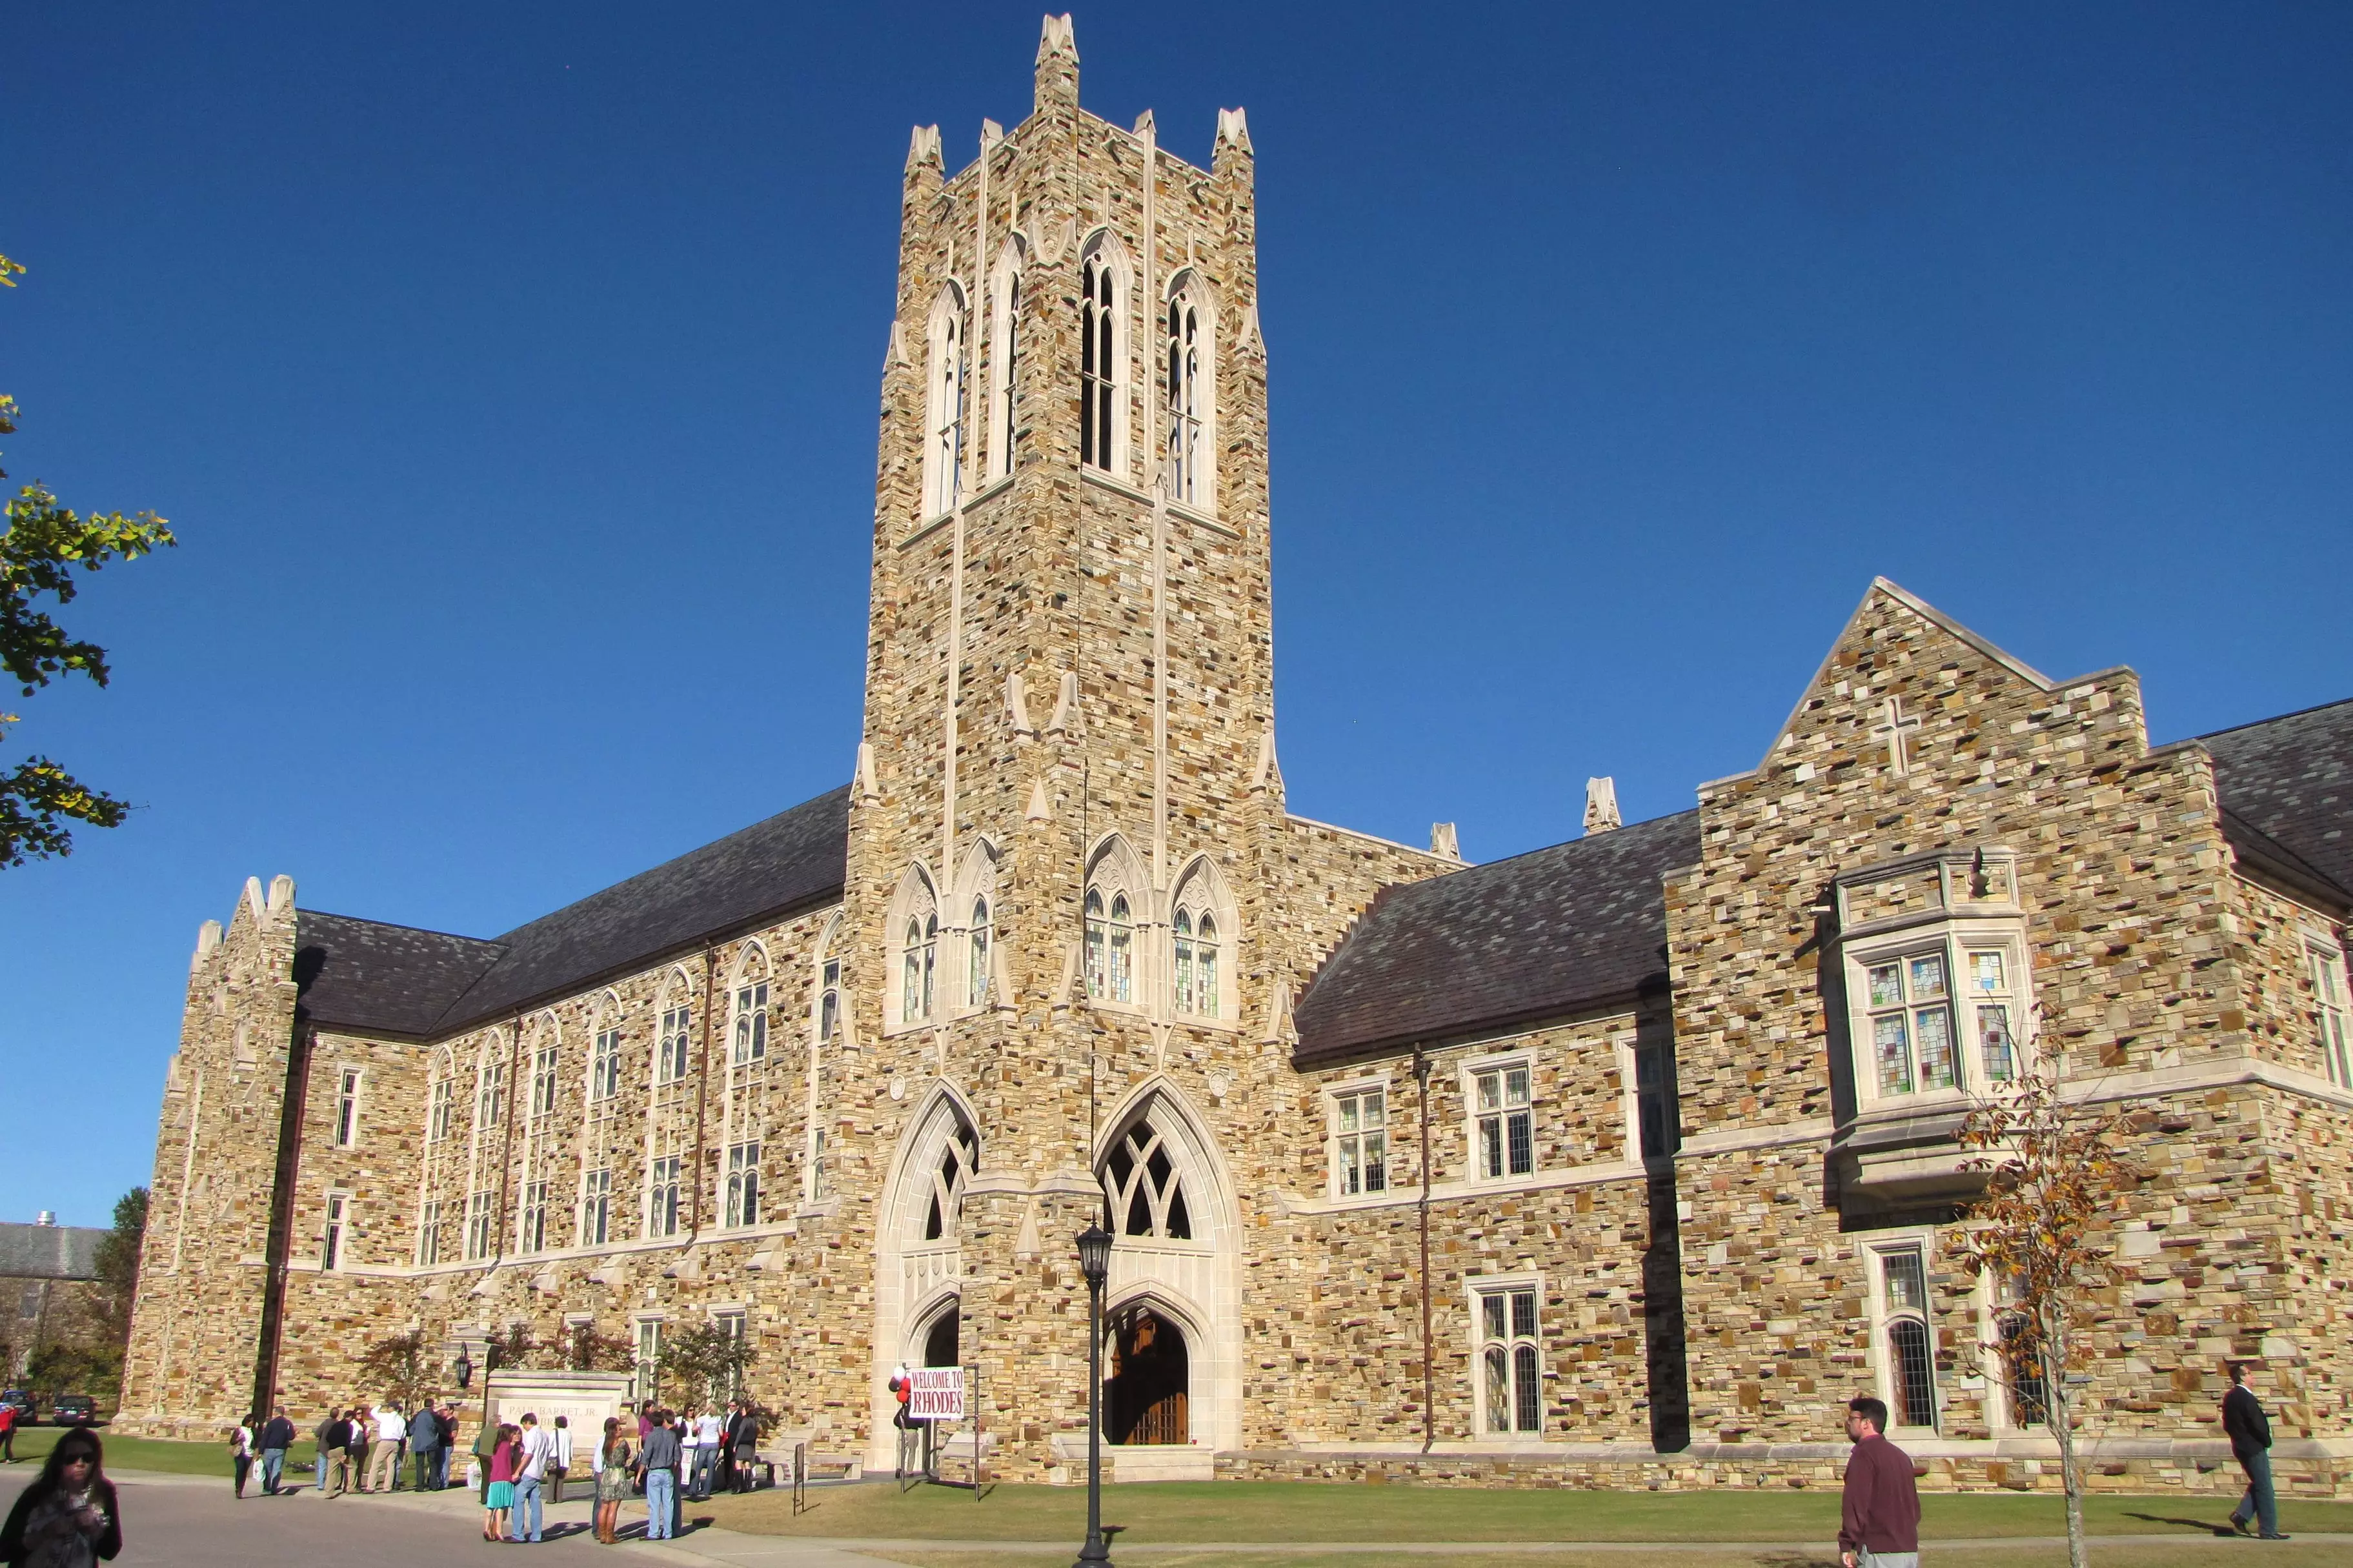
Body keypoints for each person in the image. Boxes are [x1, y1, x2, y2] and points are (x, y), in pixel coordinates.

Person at [0, 1426, 122, 1568]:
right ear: (60, 1462)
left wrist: (95, 1529)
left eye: (88, 1458)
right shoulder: (37, 1495)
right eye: (72, 1459)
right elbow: (4, 1550)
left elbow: (110, 1551)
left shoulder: (102, 1493)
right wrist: (46, 1533)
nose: (80, 1464)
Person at [1839, 1396, 1921, 1568]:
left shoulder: (1863, 1456)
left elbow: (1856, 1505)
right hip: (1908, 1551)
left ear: (1866, 1423)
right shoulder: (1901, 1457)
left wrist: (1847, 1545)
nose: (1848, 1423)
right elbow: (1915, 1509)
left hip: (1878, 1551)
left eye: (1852, 1418)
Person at [2225, 1362, 2289, 1540]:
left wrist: (2238, 1439)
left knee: (2260, 1483)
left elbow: (2227, 1425)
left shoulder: (2230, 1397)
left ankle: (2241, 1515)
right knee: (2265, 1488)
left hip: (2240, 1445)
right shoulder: (2247, 1398)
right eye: (2249, 1373)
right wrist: (2266, 1441)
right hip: (2253, 1447)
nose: (2253, 1376)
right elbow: (2258, 1425)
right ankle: (2268, 1530)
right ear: (2243, 1377)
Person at [634, 1408, 681, 1542]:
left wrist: (638, 1475)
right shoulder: (671, 1436)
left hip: (655, 1472)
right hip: (668, 1472)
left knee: (654, 1505)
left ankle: (654, 1532)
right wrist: (674, 1470)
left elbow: (646, 1458)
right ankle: (668, 1532)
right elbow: (677, 1457)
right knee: (668, 1504)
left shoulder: (651, 1437)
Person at [592, 1416, 632, 1545]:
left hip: (607, 1473)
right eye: (619, 1429)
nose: (621, 1430)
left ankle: (602, 1534)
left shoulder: (606, 1443)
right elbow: (628, 1454)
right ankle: (610, 1535)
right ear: (614, 1431)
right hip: (618, 1473)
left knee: (604, 1506)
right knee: (613, 1508)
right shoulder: (622, 1443)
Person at [512, 1412, 550, 1544]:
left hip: (529, 1472)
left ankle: (518, 1534)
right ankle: (537, 1534)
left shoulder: (531, 1435)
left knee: (518, 1500)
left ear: (528, 1422)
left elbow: (528, 1454)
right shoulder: (545, 1435)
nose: (524, 1428)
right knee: (535, 1504)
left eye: (524, 1425)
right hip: (539, 1472)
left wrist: (518, 1471)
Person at [481, 1423, 520, 1544]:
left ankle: (487, 1529)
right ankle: (499, 1530)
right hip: (504, 1478)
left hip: (494, 1478)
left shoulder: (497, 1446)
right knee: (501, 1506)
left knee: (491, 1506)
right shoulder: (507, 1446)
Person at [367, 1402, 407, 1493]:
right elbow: (403, 1434)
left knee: (376, 1464)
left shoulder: (385, 1417)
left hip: (385, 1441)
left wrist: (381, 1405)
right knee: (391, 1466)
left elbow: (373, 1412)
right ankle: (388, 1487)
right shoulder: (401, 1420)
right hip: (395, 1442)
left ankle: (371, 1486)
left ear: (391, 1408)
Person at [256, 1407, 296, 1496]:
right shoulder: (287, 1423)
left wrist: (261, 1450)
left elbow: (265, 1437)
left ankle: (266, 1488)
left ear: (276, 1413)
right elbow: (291, 1436)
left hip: (269, 1449)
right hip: (281, 1449)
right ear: (283, 1413)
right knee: (277, 1469)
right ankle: (274, 1488)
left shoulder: (271, 1423)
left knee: (267, 1469)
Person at [407, 1401, 440, 1492]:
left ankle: (420, 1486)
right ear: (432, 1405)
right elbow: (438, 1427)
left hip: (419, 1443)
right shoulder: (434, 1415)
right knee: (433, 1464)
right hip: (432, 1442)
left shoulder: (417, 1415)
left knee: (420, 1464)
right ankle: (433, 1485)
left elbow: (411, 1430)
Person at [319, 1409, 354, 1497]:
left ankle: (329, 1492)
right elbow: (348, 1440)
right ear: (350, 1417)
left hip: (332, 1449)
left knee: (331, 1471)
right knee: (352, 1466)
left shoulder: (336, 1425)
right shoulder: (349, 1427)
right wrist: (347, 1453)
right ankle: (350, 1487)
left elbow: (328, 1438)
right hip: (341, 1449)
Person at [346, 1402, 373, 1492]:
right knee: (353, 1466)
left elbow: (367, 1433)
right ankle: (350, 1486)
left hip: (364, 1446)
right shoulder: (352, 1423)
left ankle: (358, 1484)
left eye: (361, 1413)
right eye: (358, 1413)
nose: (360, 1415)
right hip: (355, 1446)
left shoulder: (364, 1423)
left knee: (361, 1466)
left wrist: (367, 1435)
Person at [313, 1409, 341, 1493]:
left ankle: (321, 1485)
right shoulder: (338, 1424)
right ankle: (329, 1484)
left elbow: (317, 1434)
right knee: (331, 1468)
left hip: (323, 1447)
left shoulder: (325, 1423)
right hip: (333, 1448)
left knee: (322, 1467)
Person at [228, 1416, 254, 1500]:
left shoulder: (253, 1431)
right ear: (247, 1422)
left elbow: (257, 1442)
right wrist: (239, 1438)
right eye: (251, 1421)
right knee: (240, 1470)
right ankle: (238, 1489)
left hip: (249, 1454)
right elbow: (232, 1442)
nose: (252, 1423)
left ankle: (241, 1489)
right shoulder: (239, 1430)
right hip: (240, 1453)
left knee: (244, 1473)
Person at [549, 1415, 572, 1505]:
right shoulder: (568, 1433)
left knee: (552, 1479)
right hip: (565, 1459)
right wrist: (570, 1458)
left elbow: (550, 1445)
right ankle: (559, 1498)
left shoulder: (554, 1433)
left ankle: (551, 1498)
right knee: (561, 1480)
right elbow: (571, 1447)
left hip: (554, 1458)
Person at [436, 1403, 458, 1490]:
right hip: (438, 1444)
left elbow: (453, 1435)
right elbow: (433, 1412)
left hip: (447, 1445)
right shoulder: (441, 1420)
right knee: (438, 1464)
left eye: (445, 1410)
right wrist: (440, 1407)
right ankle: (437, 1481)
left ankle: (444, 1484)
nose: (443, 1412)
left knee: (445, 1464)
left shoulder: (454, 1421)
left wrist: (443, 1433)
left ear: (451, 1411)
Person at [0, 1398, 19, 1464]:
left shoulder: (11, 1414)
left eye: (8, 1408)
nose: (7, 1409)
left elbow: (16, 1412)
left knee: (8, 1446)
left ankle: (8, 1458)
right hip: (2, 1431)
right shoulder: (2, 1415)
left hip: (9, 1431)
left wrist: (12, 1408)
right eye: (6, 1408)